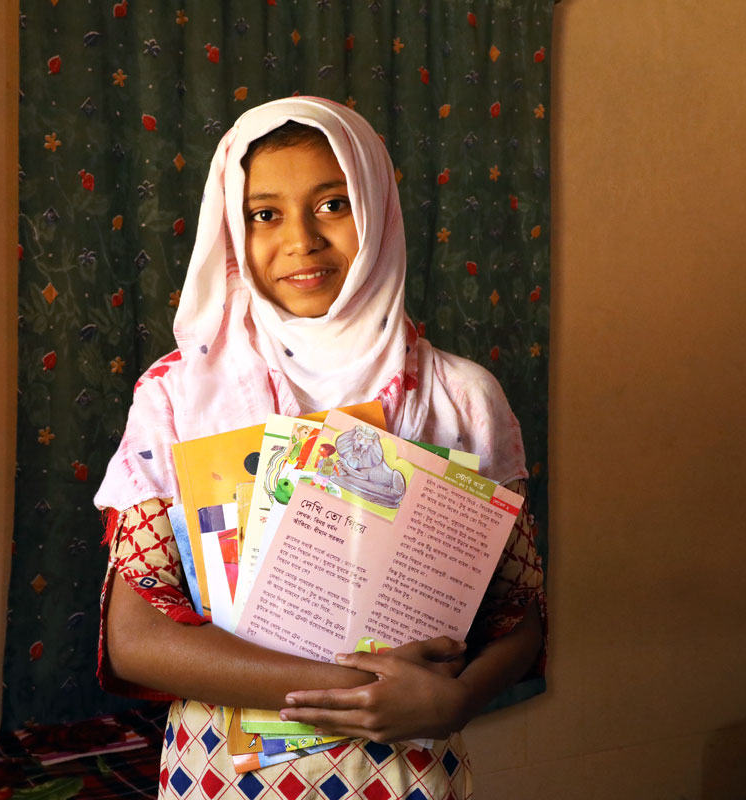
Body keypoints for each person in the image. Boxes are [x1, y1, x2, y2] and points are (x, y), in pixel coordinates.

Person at [95, 96, 546, 800]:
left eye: (333, 204)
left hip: (405, 772)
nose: (300, 239)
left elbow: (518, 620)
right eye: (264, 214)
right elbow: (137, 640)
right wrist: (361, 689)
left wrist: (457, 700)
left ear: (376, 208)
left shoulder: (462, 398)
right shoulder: (179, 397)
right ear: (232, 230)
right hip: (223, 771)